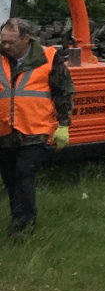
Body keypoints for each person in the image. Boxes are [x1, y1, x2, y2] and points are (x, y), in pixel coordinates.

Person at [0, 17, 72, 239]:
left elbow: (64, 91)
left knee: (24, 175)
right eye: (2, 41)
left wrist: (64, 125)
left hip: (34, 130)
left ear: (25, 39)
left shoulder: (48, 58)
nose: (5, 46)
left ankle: (24, 226)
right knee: (10, 178)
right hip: (4, 131)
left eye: (10, 42)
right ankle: (18, 218)